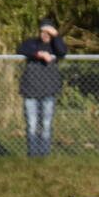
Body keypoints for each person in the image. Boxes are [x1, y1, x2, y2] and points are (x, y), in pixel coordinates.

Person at [16, 18, 67, 157]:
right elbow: (21, 49)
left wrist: (56, 36)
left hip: (48, 91)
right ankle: (32, 154)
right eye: (43, 31)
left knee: (46, 125)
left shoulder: (55, 46)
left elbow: (62, 51)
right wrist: (39, 54)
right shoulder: (32, 43)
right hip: (30, 90)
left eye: (48, 32)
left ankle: (44, 155)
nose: (45, 35)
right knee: (32, 125)